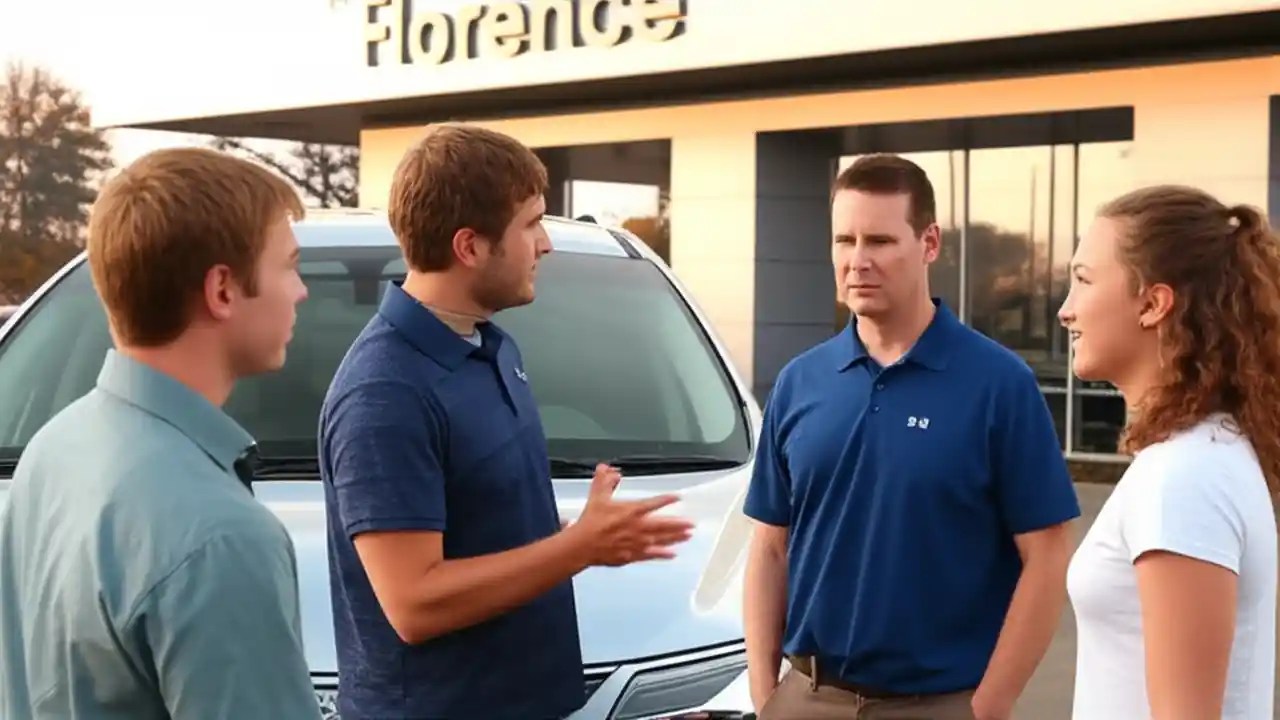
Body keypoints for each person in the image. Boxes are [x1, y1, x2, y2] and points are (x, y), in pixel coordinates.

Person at [318, 122, 694, 720]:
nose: (545, 243)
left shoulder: (491, 347)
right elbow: (414, 604)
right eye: (530, 224)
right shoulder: (384, 392)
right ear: (470, 246)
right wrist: (578, 547)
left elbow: (485, 527)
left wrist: (575, 536)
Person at [742, 153, 1082, 720]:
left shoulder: (999, 384)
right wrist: (764, 694)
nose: (857, 262)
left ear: (929, 243)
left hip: (942, 703)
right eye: (844, 241)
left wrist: (988, 706)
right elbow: (770, 547)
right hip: (806, 698)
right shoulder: (800, 381)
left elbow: (1046, 557)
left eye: (879, 241)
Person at [0, 147, 318, 718]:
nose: (301, 291)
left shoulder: (51, 449)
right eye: (290, 265)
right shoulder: (220, 535)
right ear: (222, 290)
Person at [1060, 185, 1279, 720]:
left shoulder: (1186, 476)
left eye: (1084, 280)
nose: (1066, 310)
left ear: (1153, 304)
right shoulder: (1196, 457)